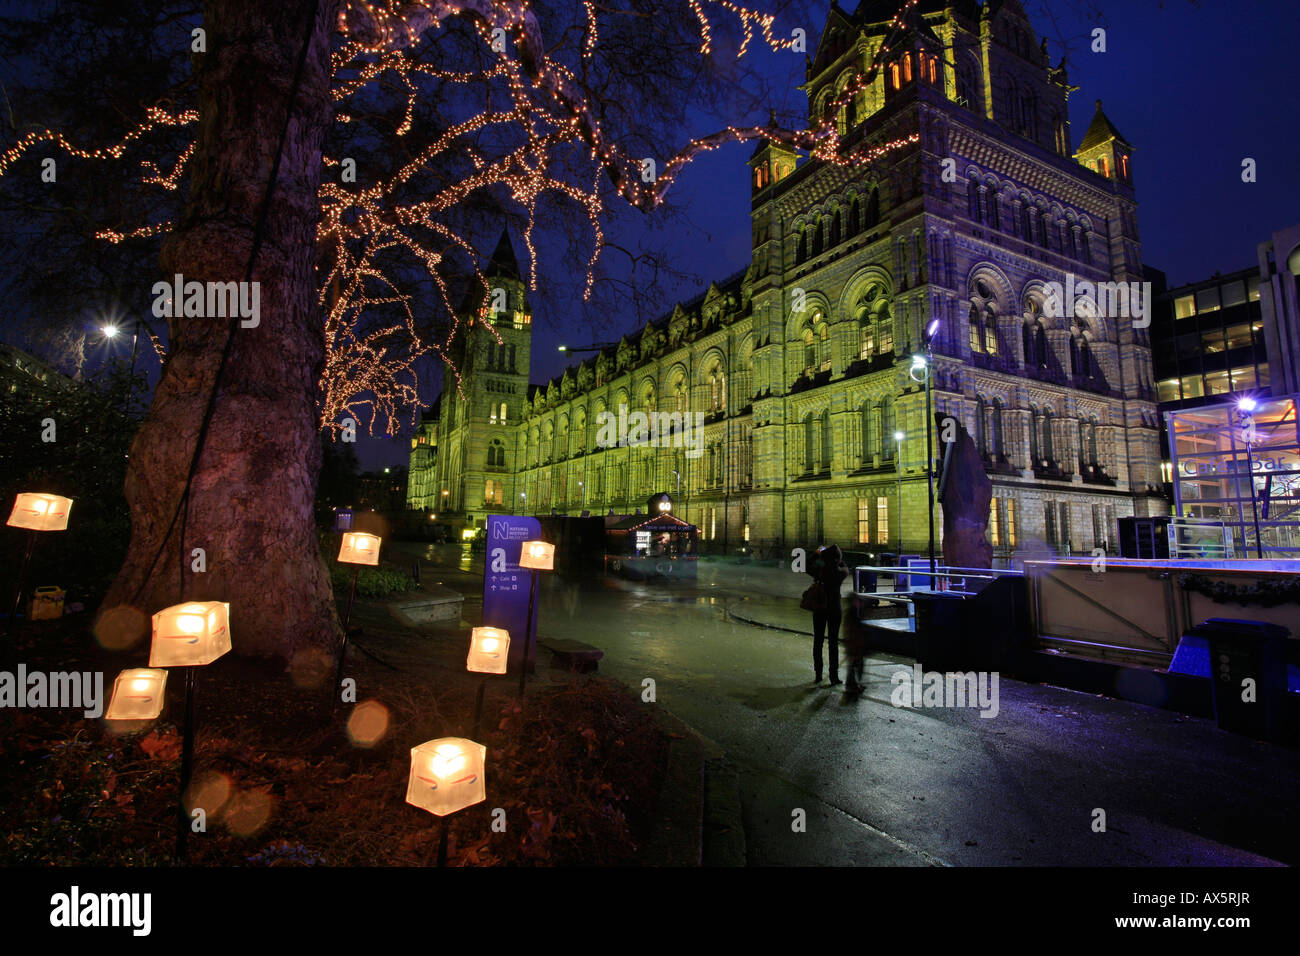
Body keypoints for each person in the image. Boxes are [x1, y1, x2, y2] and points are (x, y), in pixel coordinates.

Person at [807, 544, 848, 685]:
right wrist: (836, 557)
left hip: (819, 608)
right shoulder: (841, 572)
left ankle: (818, 674)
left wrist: (817, 553)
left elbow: (807, 564)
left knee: (818, 641)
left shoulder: (820, 570)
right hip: (835, 610)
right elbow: (844, 565)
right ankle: (833, 676)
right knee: (833, 644)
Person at [841, 594, 870, 698]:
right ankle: (851, 686)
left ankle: (853, 685)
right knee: (855, 665)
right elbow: (853, 631)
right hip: (855, 645)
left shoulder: (853, 613)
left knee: (854, 665)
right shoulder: (853, 615)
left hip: (854, 644)